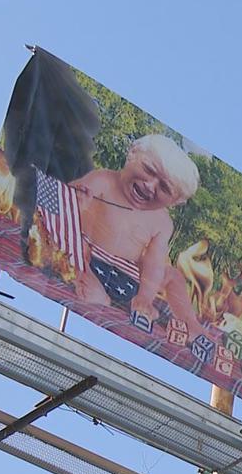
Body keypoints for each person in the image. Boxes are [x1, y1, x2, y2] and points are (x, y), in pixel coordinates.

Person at [69, 134, 206, 337]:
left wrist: (145, 297)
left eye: (165, 188)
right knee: (76, 249)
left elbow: (153, 264)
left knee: (174, 276)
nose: (150, 186)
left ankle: (191, 326)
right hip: (90, 259)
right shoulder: (103, 180)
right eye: (149, 170)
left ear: (175, 201)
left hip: (126, 275)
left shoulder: (162, 222)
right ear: (132, 154)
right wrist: (79, 201)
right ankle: (95, 291)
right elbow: (66, 205)